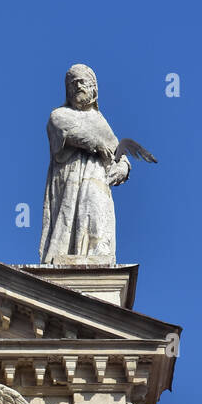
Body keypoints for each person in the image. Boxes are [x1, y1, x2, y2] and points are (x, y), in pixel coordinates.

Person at [39, 63, 129, 264]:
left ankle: (96, 259)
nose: (78, 85)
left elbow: (118, 151)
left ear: (94, 89)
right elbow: (68, 132)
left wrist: (123, 167)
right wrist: (96, 144)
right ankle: (65, 256)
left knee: (96, 216)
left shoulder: (100, 121)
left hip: (96, 178)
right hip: (70, 177)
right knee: (68, 218)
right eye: (73, 83)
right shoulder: (60, 115)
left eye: (83, 82)